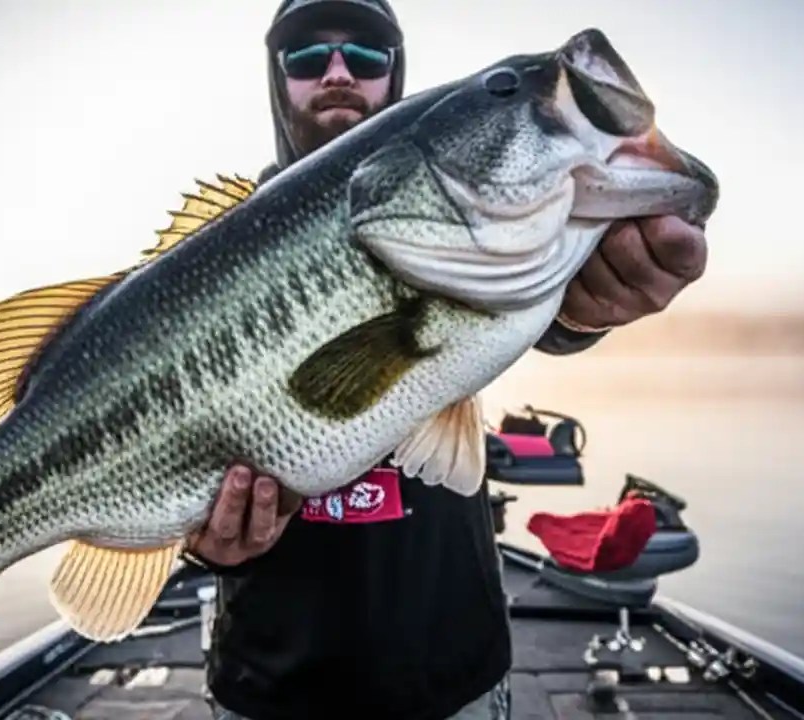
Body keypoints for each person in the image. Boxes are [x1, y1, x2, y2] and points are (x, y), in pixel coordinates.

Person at [183, 2, 710, 719]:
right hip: (267, 686)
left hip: (452, 680)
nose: (339, 72)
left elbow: (549, 308)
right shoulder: (202, 268)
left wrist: (590, 302)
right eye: (308, 56)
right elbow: (167, 466)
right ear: (277, 81)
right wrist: (203, 544)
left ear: (396, 74)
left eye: (367, 55)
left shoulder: (473, 229)